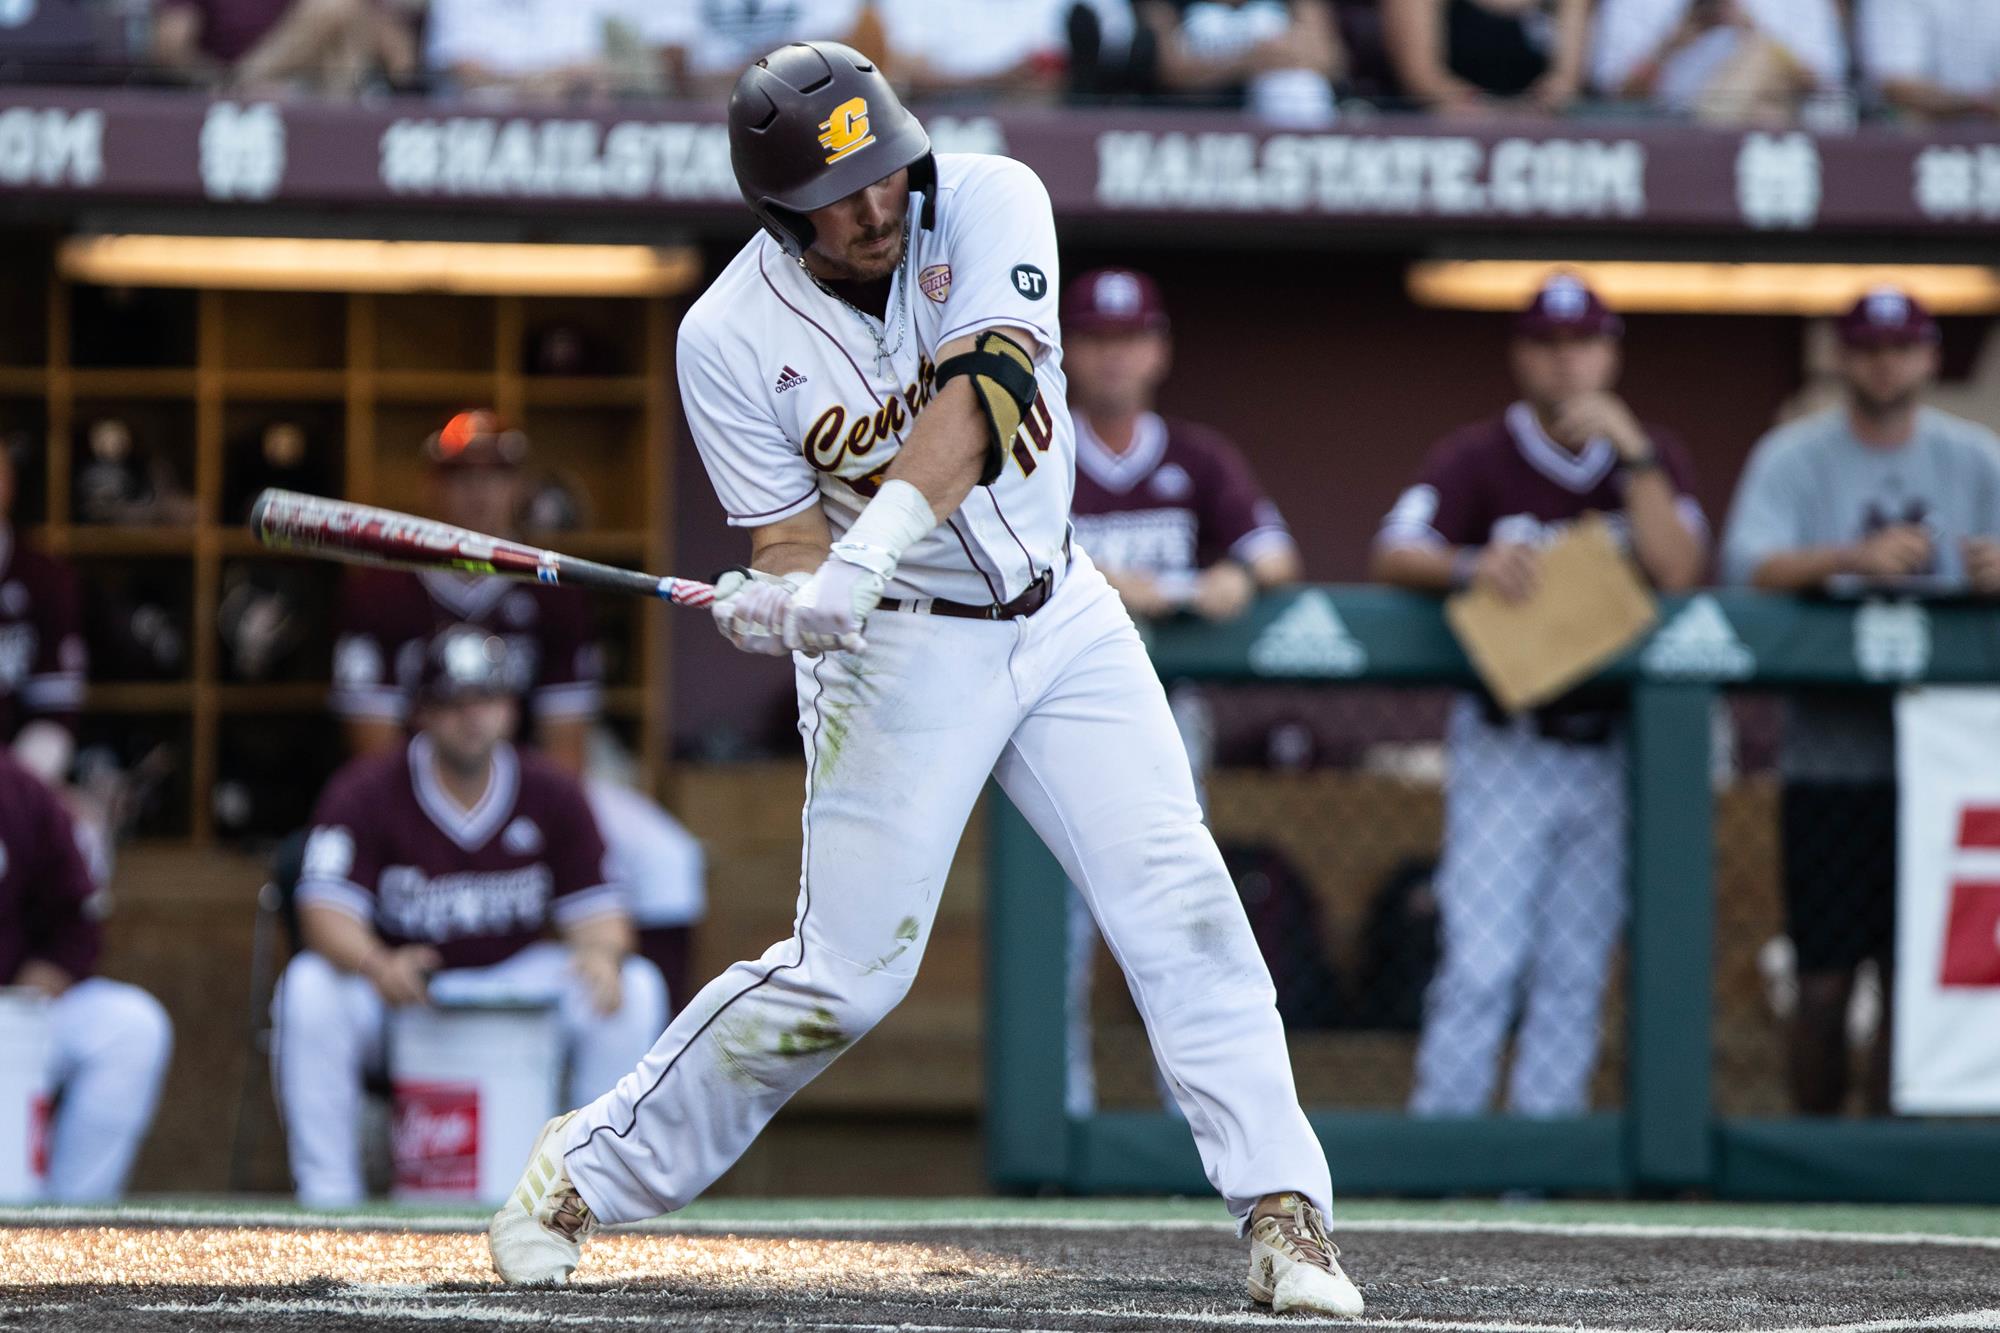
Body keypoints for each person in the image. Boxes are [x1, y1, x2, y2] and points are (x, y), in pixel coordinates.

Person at [486, 40, 1363, 1317]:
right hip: (897, 647)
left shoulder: (994, 197)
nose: (875, 204)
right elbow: (785, 540)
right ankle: (581, 1174)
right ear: (777, 215)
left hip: (1061, 613)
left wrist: (868, 541)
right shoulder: (723, 336)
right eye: (838, 196)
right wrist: (784, 601)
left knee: (1180, 904)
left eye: (887, 171)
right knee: (845, 977)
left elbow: (990, 385)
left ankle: (1287, 1219)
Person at [1372, 273, 1706, 1118]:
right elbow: (1394, 551)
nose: (1568, 364)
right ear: (1524, 355)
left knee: (1574, 972)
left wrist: (1634, 453)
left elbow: (1679, 567)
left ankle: (1537, 1180)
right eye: (1550, 345)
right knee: (1482, 962)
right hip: (1508, 742)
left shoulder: (1652, 454)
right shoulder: (1477, 456)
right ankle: (1440, 1159)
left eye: (1584, 343)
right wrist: (1469, 562)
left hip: (1610, 750)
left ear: (1611, 351)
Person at [1721, 286, 2000, 1116]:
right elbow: (1748, 566)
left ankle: (1890, 1154)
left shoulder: (1974, 455)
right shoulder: (1796, 454)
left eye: (1901, 346)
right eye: (1868, 347)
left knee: (1921, 976)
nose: (1885, 362)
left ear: (1928, 355)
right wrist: (1851, 557)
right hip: (1832, 756)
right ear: (1844, 356)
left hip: (1952, 763)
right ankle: (1816, 1154)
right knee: (1824, 977)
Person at [277, 624, 665, 1207]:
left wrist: (602, 954)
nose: (471, 717)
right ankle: (329, 1201)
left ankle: (587, 1198)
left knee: (633, 988)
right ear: (422, 713)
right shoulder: (366, 789)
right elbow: (322, 911)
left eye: (486, 699)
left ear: (511, 708)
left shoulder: (551, 789)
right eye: (453, 702)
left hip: (514, 979)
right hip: (406, 987)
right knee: (309, 988)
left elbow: (602, 915)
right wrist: (375, 960)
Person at [1060, 264, 1302, 1115]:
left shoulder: (1197, 456)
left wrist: (1234, 571)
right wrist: (1098, 577)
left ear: (1156, 350)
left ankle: (1193, 1132)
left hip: (1168, 718)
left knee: (1175, 931)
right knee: (1058, 944)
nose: (1113, 358)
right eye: (1095, 339)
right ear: (1067, 350)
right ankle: (1059, 1130)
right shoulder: (1042, 448)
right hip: (1053, 729)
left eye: (1129, 340)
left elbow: (1275, 552)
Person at [0, 750, 172, 1202]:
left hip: (12, 1007)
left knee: (131, 1025)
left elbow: (77, 923)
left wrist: (28, 992)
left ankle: (73, 1221)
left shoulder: (20, 789)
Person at [1590, 0, 1848, 124]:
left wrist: (1750, 29)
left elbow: (1824, 81)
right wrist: (1671, 45)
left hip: (1781, 120)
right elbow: (1616, 95)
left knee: (1766, 94)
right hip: (1666, 126)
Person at [0, 447, 85, 791]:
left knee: (86, 837)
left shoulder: (45, 578)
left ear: (8, 483)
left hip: (13, 785)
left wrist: (12, 792)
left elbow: (55, 713)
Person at [1139, 0, 1345, 122]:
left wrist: (1276, 58)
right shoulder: (1168, 5)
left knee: (1294, 87)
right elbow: (1168, 70)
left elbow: (1330, 60)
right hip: (1197, 118)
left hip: (1283, 124)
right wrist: (1247, 61)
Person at [151, 0, 416, 93]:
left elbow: (401, 61)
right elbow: (170, 43)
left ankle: (242, 83)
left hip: (316, 95)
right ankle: (239, 85)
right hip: (219, 94)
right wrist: (214, 82)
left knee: (338, 8)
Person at [1381, 0, 1591, 114]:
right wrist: (1487, 110)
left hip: (1535, 125)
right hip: (1445, 123)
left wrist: (1542, 104)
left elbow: (1566, 81)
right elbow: (1422, 78)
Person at [643, 0, 869, 100]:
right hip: (705, 105)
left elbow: (830, 56)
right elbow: (675, 64)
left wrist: (740, 76)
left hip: (803, 105)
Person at [878, 0, 1074, 100]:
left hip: (1022, 110)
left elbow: (1056, 73)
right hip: (941, 110)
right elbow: (906, 72)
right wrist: (996, 79)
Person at [1856, 0, 2000, 122]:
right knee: (1909, 117)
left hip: (1989, 131)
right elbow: (1896, 84)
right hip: (1924, 132)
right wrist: (1977, 103)